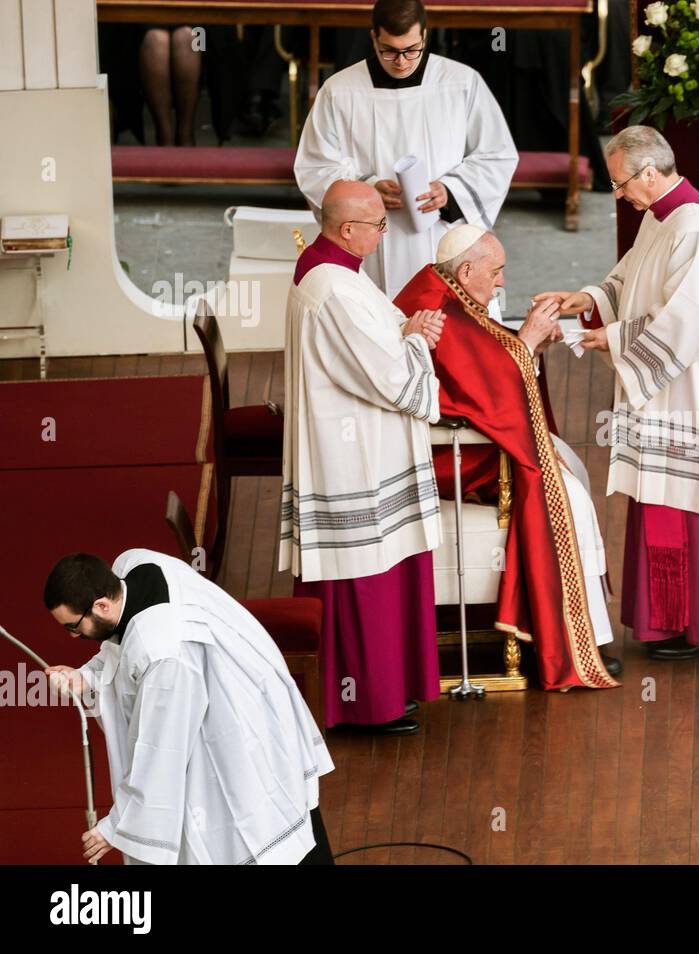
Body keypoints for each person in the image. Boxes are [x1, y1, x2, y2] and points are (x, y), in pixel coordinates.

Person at [538, 125, 699, 660]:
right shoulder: (659, 217)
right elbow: (629, 282)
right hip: (670, 388)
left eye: (621, 184)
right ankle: (674, 622)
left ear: (649, 173)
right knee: (666, 497)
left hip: (696, 390)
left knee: (697, 502)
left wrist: (613, 337)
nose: (618, 195)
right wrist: (588, 300)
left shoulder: (696, 229)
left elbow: (687, 322)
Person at [393, 224, 621, 689]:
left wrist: (523, 341)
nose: (501, 282)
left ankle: (576, 629)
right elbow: (479, 396)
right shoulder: (437, 306)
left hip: (463, 438)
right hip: (451, 455)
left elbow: (484, 373)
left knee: (569, 465)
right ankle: (572, 641)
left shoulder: (444, 288)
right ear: (467, 268)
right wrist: (529, 341)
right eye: (496, 273)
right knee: (566, 496)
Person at [42, 550, 334, 865]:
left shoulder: (164, 651)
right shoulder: (133, 565)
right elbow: (121, 649)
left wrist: (115, 827)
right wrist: (85, 677)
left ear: (101, 605)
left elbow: (159, 753)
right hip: (235, 694)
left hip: (233, 734)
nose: (72, 637)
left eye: (73, 626)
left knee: (254, 827)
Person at [281, 180, 446, 735]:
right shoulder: (334, 288)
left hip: (353, 444)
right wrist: (419, 343)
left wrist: (404, 329)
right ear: (347, 229)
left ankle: (383, 691)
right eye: (378, 224)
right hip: (353, 456)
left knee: (373, 570)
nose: (384, 231)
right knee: (363, 575)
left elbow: (363, 350)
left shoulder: (331, 268)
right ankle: (365, 705)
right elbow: (391, 380)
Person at [294, 0, 518, 297]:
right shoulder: (340, 90)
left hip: (440, 231)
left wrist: (450, 191)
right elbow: (314, 166)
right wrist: (367, 188)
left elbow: (497, 155)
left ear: (425, 35)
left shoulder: (461, 82)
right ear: (374, 37)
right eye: (389, 50)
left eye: (412, 49)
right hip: (373, 240)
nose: (401, 61)